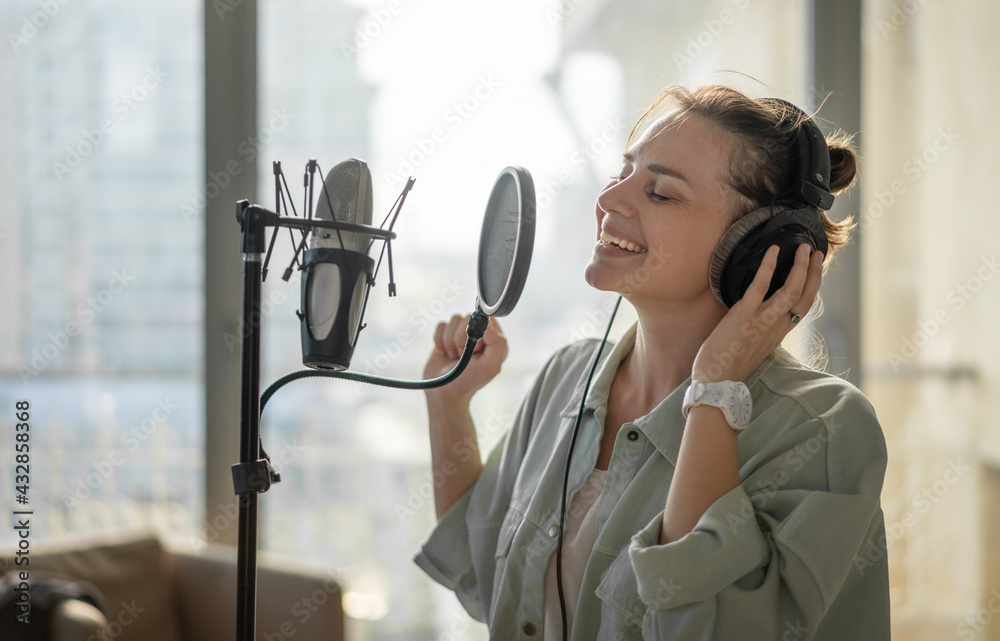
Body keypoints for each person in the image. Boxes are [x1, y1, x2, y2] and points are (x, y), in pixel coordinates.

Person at [414, 84, 889, 640]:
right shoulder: (569, 376)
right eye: (624, 172)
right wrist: (448, 406)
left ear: (761, 248)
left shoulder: (823, 429)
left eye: (660, 192)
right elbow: (483, 576)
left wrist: (716, 389)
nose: (609, 200)